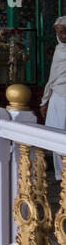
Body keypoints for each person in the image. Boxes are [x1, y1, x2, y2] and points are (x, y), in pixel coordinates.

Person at [42, 16, 66, 180]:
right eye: (59, 32)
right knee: (57, 135)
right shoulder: (60, 50)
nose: (62, 35)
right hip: (59, 97)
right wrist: (45, 100)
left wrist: (44, 101)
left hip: (61, 98)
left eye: (65, 32)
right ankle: (61, 174)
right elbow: (52, 78)